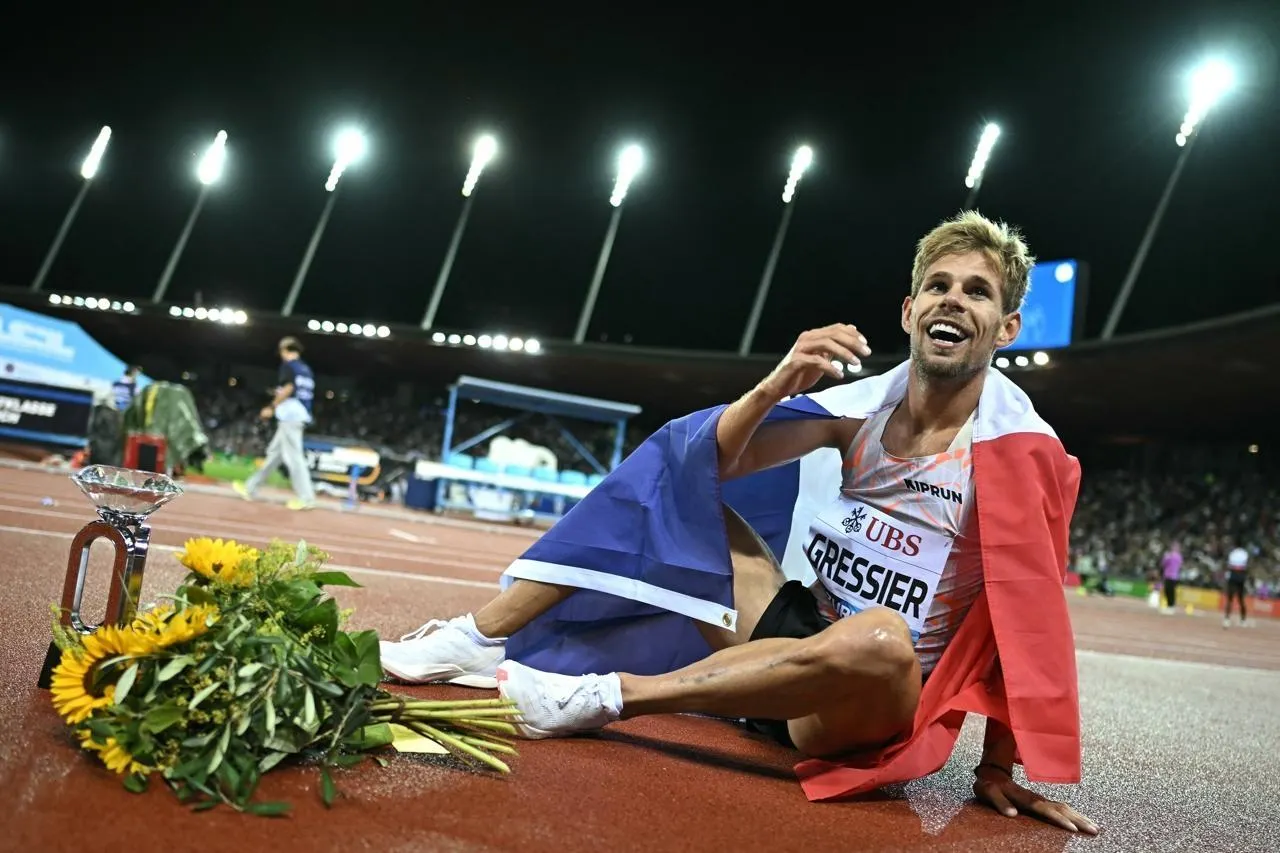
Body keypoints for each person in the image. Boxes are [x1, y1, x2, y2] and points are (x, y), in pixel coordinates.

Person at [381, 212, 1096, 834]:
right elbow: (704, 464)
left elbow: (1025, 615)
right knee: (678, 476)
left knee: (881, 635)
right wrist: (778, 382)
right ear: (909, 312)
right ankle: (480, 637)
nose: (954, 300)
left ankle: (605, 697)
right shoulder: (861, 416)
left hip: (859, 697)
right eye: (939, 285)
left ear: (1005, 328)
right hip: (786, 630)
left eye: (977, 291)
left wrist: (998, 761)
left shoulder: (1016, 455)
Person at [233, 337, 316, 510]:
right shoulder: (305, 369)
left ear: (286, 349)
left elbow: (288, 388)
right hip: (298, 413)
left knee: (294, 458)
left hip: (291, 416)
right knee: (274, 454)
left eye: (281, 351)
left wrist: (271, 406)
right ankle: (251, 487)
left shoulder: (288, 366)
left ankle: (306, 498)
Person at [1223, 545, 1249, 627]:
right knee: (1241, 599)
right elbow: (1246, 565)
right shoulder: (1244, 553)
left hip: (1233, 575)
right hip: (1241, 575)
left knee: (1230, 599)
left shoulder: (1232, 553)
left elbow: (1229, 565)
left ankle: (1227, 619)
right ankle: (1243, 620)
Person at [1159, 542, 1182, 615]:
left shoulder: (1169, 555)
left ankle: (1171, 606)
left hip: (1170, 576)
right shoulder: (1178, 557)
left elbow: (1163, 564)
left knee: (1169, 591)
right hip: (1172, 576)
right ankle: (1170, 606)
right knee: (1169, 591)